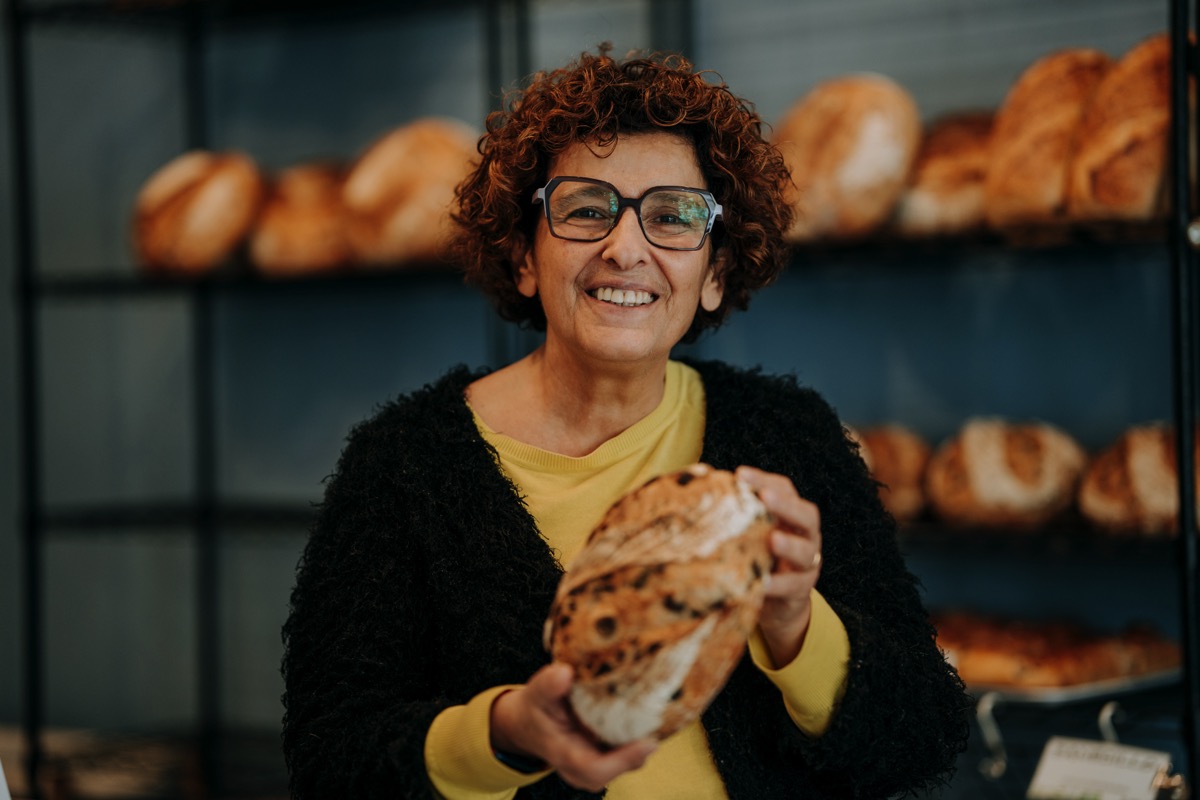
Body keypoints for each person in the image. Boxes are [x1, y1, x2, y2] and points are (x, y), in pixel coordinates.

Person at [281, 46, 971, 800]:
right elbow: (332, 758)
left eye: (672, 216)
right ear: (523, 256)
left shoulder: (789, 437)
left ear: (714, 274)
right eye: (585, 209)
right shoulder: (402, 467)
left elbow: (923, 736)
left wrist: (796, 625)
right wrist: (504, 734)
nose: (626, 247)